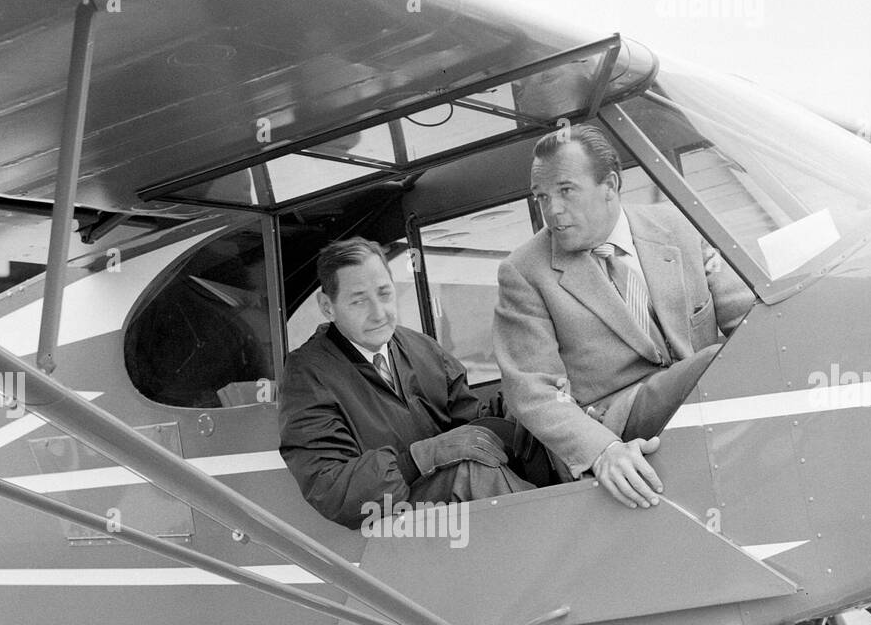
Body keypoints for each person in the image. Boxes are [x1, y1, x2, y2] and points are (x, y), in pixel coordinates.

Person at [493, 122, 754, 508]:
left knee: (745, 348)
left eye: (565, 191)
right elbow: (532, 390)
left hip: (699, 398)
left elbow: (745, 317)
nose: (553, 211)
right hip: (612, 422)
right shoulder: (524, 271)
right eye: (542, 197)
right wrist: (603, 451)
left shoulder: (678, 225)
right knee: (719, 361)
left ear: (611, 186)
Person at [279, 238, 540, 529]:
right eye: (359, 300)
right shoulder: (308, 375)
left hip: (446, 510)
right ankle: (552, 548)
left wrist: (520, 401)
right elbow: (331, 487)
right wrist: (419, 458)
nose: (379, 312)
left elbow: (470, 425)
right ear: (328, 307)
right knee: (471, 474)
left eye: (384, 293)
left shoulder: (422, 349)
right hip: (390, 519)